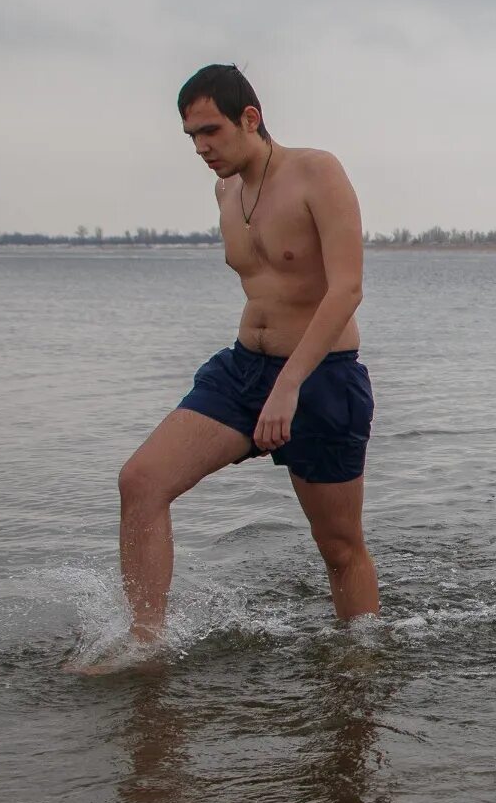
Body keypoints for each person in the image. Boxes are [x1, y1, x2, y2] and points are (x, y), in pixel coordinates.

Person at [100, 64, 376, 657]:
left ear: (250, 118)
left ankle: (361, 666)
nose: (201, 148)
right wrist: (268, 382)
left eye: (211, 131)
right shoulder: (226, 190)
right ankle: (143, 649)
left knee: (339, 547)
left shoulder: (316, 173)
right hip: (244, 369)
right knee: (141, 482)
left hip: (321, 379)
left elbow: (346, 290)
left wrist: (290, 385)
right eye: (191, 137)